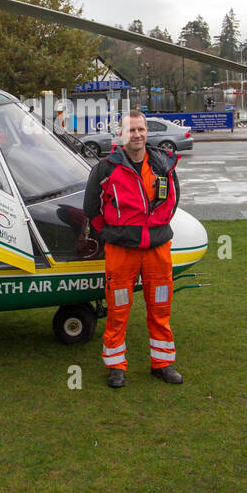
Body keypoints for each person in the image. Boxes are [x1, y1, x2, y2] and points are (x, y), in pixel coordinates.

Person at [83, 109, 182, 388]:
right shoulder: (105, 168)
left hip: (157, 249)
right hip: (121, 251)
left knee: (160, 306)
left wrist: (155, 228)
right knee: (118, 308)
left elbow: (172, 201)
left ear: (147, 132)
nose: (136, 135)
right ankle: (116, 366)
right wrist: (111, 233)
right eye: (131, 130)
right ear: (121, 134)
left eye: (140, 129)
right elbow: (91, 208)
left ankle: (162, 364)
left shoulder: (163, 163)